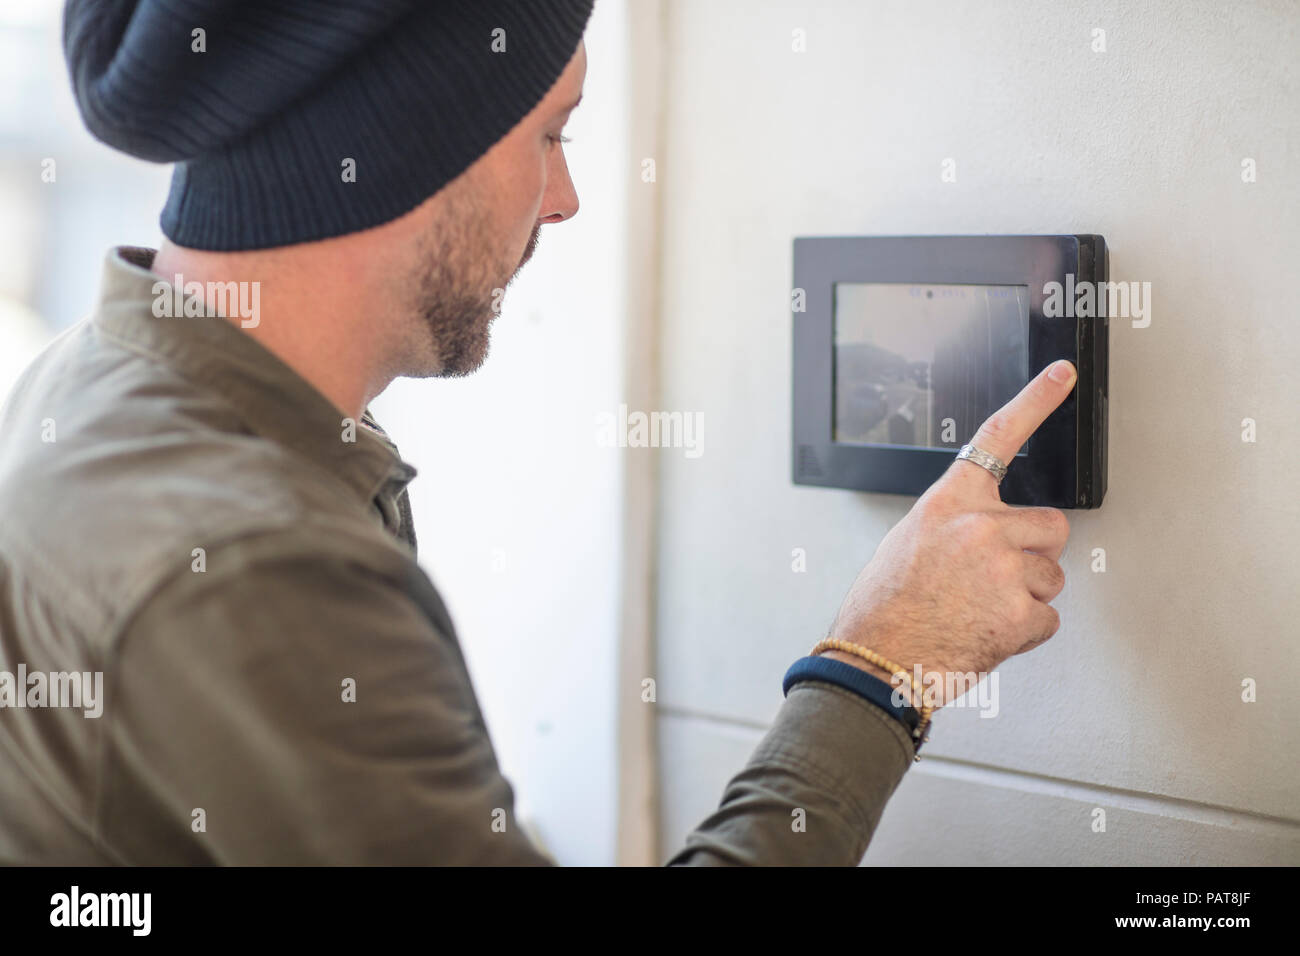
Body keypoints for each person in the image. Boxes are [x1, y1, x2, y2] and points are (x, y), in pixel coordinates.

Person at [0, 0, 1071, 865]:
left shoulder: (91, 377)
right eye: (550, 133)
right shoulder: (255, 563)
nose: (563, 200)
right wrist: (884, 663)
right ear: (399, 147)